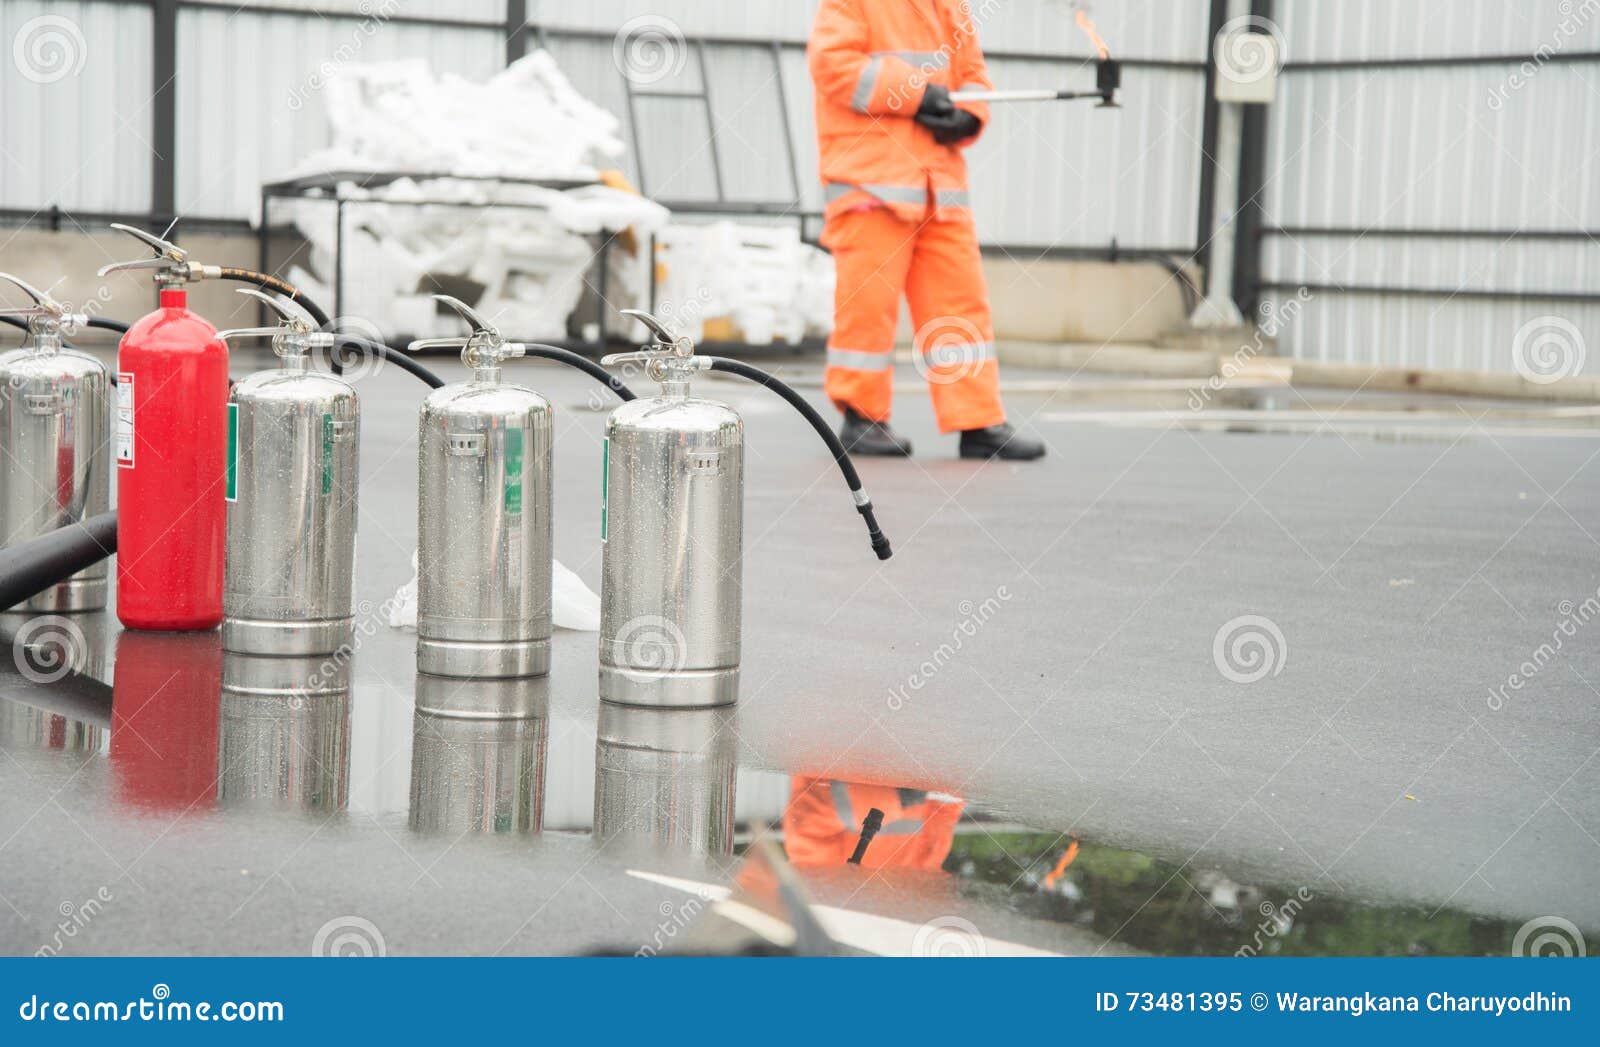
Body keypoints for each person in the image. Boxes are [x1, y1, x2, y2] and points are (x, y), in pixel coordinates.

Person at [809, 0, 1045, 460]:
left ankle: (978, 421)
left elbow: (974, 77)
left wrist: (970, 116)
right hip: (871, 182)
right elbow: (834, 67)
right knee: (868, 306)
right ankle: (863, 418)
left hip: (940, 185)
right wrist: (918, 94)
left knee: (960, 306)